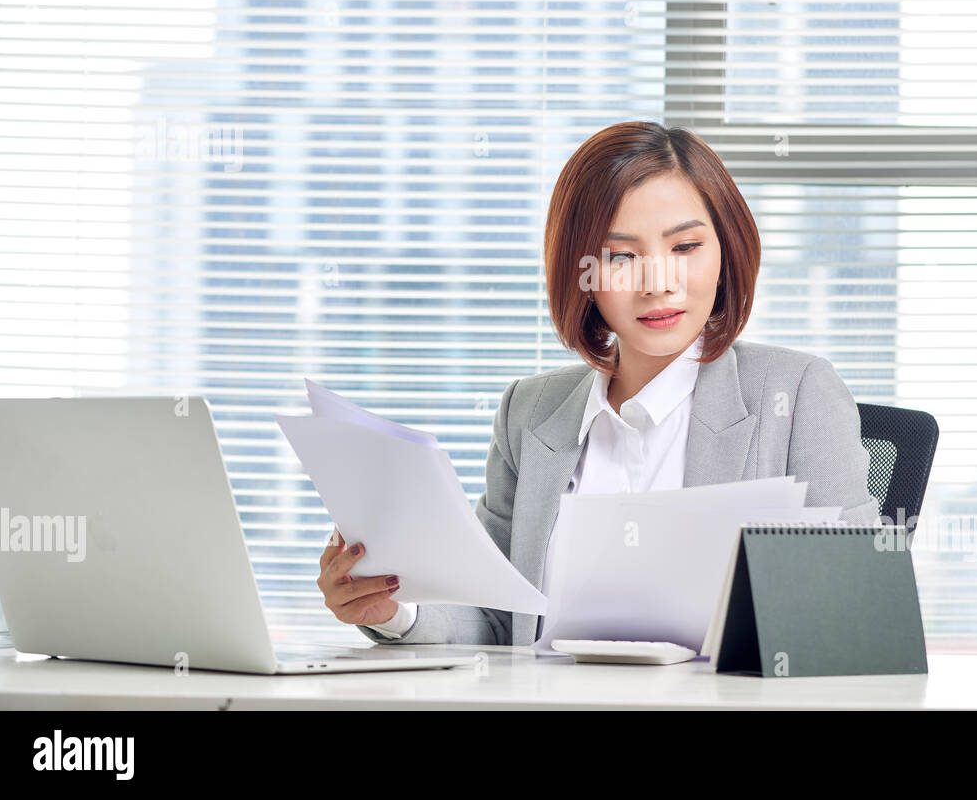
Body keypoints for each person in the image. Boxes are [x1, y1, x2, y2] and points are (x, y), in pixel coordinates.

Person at [317, 121, 880, 646]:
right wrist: (393, 611)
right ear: (580, 272)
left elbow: (855, 621)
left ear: (726, 253)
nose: (658, 282)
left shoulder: (799, 394)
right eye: (620, 256)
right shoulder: (530, 412)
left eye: (685, 247)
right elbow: (493, 616)